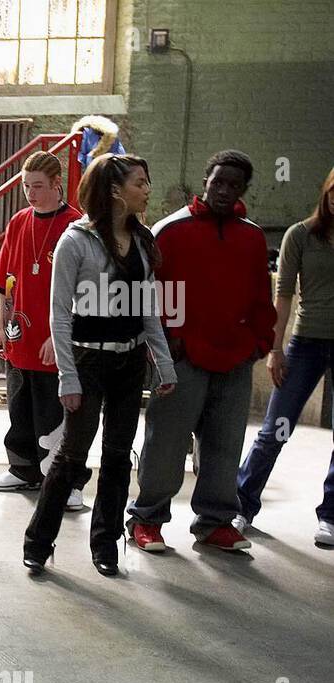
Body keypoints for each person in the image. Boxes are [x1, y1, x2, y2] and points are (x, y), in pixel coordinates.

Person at [23, 155, 177, 577]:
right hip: (87, 358)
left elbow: (148, 310)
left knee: (117, 456)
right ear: (114, 190)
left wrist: (164, 365)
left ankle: (105, 544)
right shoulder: (76, 240)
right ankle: (38, 541)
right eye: (140, 183)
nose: (147, 190)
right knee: (73, 453)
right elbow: (59, 314)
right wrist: (67, 377)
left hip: (129, 362)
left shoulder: (141, 240)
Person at [126, 150, 277, 553]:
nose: (224, 190)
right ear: (205, 180)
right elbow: (148, 294)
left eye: (234, 184)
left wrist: (260, 344)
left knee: (225, 446)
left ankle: (215, 523)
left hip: (235, 359)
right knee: (166, 444)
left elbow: (262, 298)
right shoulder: (171, 231)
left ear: (243, 189)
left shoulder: (251, 236)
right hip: (182, 359)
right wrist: (164, 344)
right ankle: (146, 519)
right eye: (218, 182)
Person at [235, 167, 334, 548]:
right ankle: (242, 505)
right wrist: (275, 350)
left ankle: (330, 517)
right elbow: (284, 297)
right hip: (306, 343)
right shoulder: (300, 235)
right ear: (324, 192)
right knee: (276, 428)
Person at [0, 151, 88, 510]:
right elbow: (6, 281)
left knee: (57, 414)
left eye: (38, 186)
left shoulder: (76, 226)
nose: (30, 193)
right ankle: (23, 468)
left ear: (57, 184)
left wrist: (58, 336)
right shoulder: (18, 222)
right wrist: (0, 327)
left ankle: (69, 481)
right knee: (20, 406)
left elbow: (83, 292)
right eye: (26, 186)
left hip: (56, 339)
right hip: (19, 334)